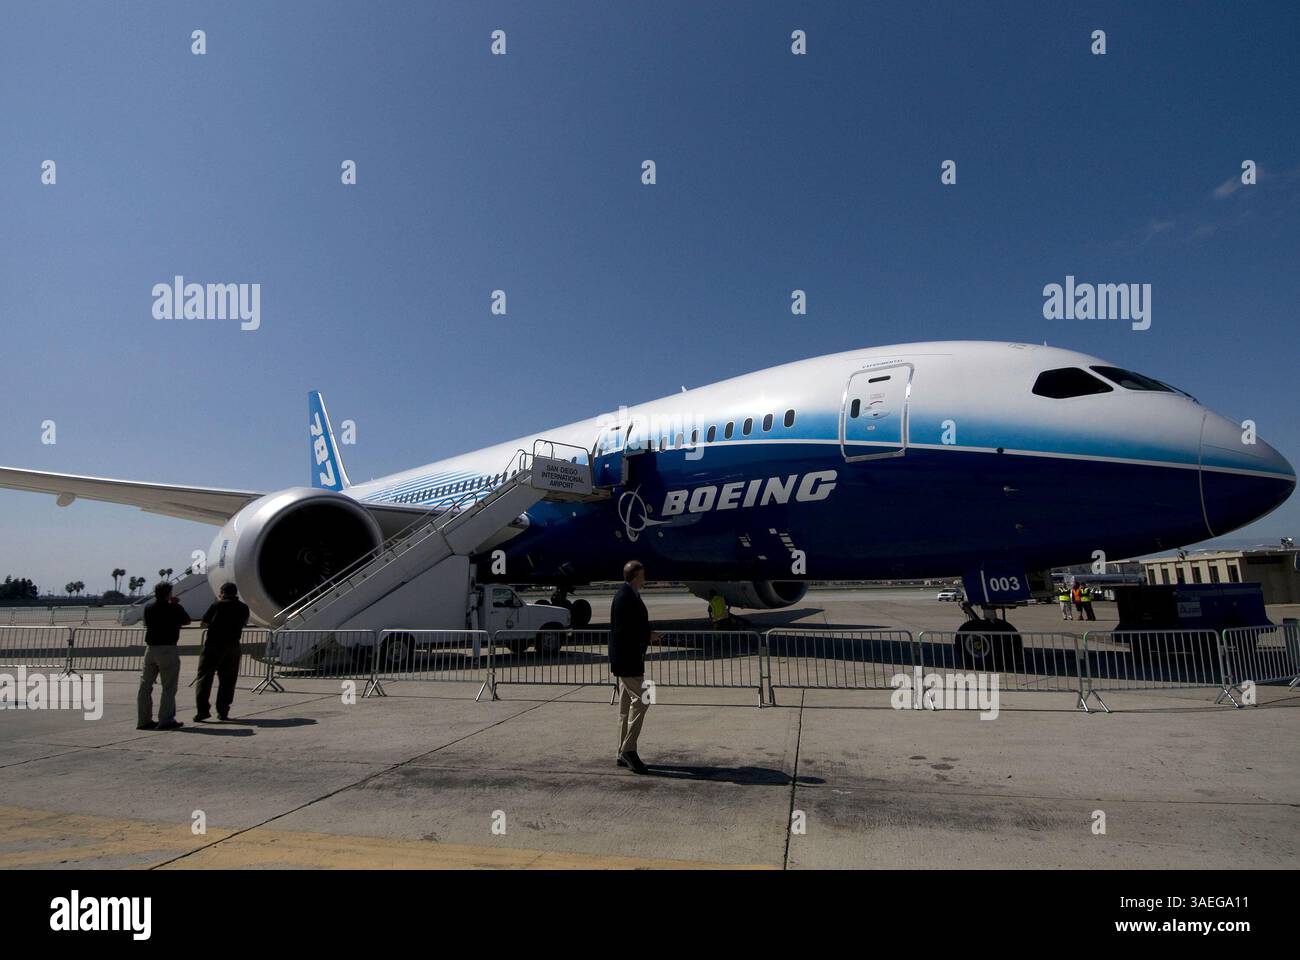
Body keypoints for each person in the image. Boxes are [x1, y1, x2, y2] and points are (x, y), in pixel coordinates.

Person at [608, 560, 657, 774]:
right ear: (636, 576)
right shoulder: (624, 597)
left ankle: (621, 752)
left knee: (625, 708)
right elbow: (623, 631)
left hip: (631, 660)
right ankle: (629, 749)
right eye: (643, 575)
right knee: (644, 700)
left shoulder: (631, 594)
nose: (645, 578)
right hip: (626, 661)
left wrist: (647, 634)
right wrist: (648, 635)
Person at [137, 581, 192, 730]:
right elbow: (187, 620)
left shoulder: (149, 608)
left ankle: (143, 720)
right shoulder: (174, 608)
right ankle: (166, 719)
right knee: (168, 687)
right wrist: (175, 604)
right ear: (169, 594)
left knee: (145, 686)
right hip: (167, 648)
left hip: (150, 649)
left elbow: (147, 623)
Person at [195, 581, 250, 721]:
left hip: (214, 645)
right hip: (233, 646)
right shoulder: (243, 607)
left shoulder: (217, 605)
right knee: (228, 681)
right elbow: (244, 623)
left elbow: (204, 623)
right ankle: (223, 711)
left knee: (205, 679)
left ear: (223, 592)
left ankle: (203, 711)